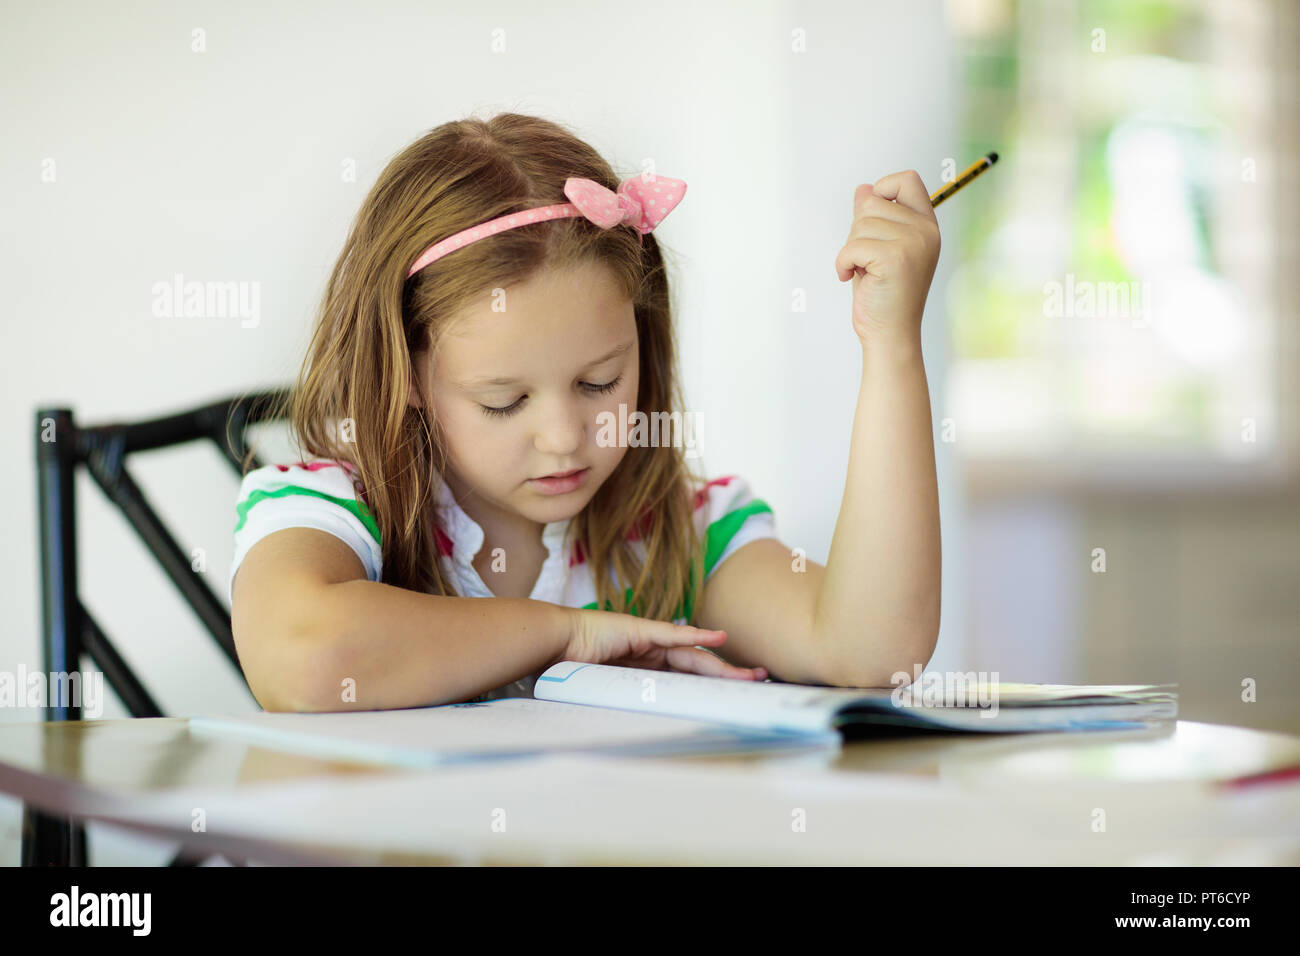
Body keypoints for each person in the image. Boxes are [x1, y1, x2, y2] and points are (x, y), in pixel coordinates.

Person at [228, 112, 941, 712]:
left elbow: (869, 650)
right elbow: (306, 656)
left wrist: (892, 346)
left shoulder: (679, 536)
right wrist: (566, 634)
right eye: (504, 401)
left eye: (600, 383)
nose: (566, 438)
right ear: (404, 371)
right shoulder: (328, 506)